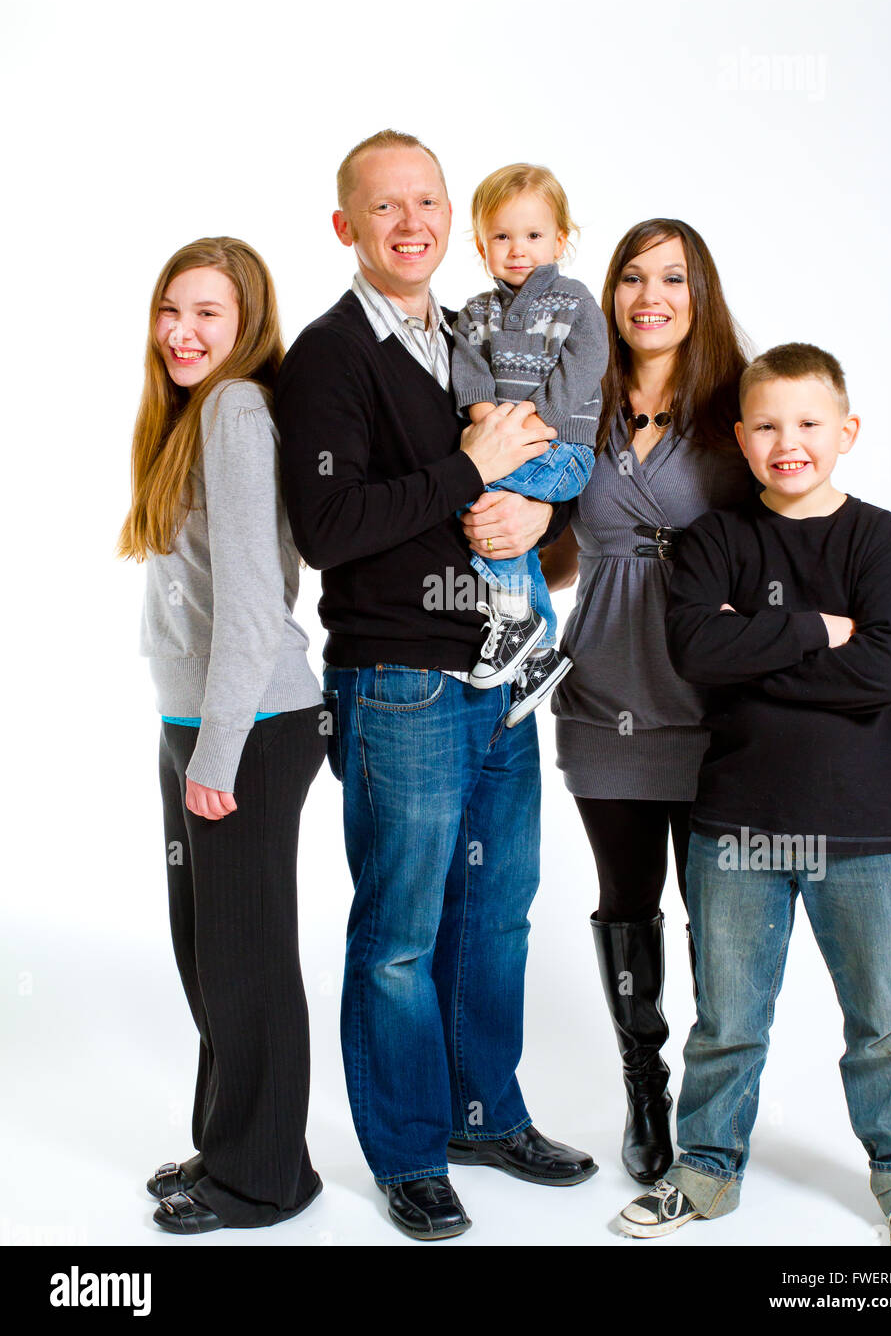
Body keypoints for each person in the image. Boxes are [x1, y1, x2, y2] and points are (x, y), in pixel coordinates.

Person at [275, 130, 597, 1243]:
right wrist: (474, 470)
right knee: (403, 932)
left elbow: (532, 481)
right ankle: (410, 1152)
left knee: (495, 910)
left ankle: (481, 1112)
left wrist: (538, 508)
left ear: (449, 215)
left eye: (427, 203)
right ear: (346, 229)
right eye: (385, 208)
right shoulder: (327, 356)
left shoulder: (472, 335)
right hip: (400, 684)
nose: (411, 224)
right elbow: (329, 527)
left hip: (500, 677)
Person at [619, 343, 891, 1247]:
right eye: (766, 425)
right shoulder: (716, 540)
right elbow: (696, 658)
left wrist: (756, 648)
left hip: (862, 828)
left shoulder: (880, 539)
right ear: (741, 436)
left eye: (808, 424)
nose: (787, 442)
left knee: (884, 1020)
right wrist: (815, 632)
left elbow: (886, 672)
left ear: (847, 432)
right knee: (727, 1020)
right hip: (735, 826)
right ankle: (705, 1171)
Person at [118, 237, 328, 1235]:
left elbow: (254, 606)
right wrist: (189, 734)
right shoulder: (188, 417)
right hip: (197, 720)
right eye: (171, 309)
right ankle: (238, 1144)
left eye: (208, 313)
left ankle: (264, 1181)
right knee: (208, 949)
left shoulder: (239, 411)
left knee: (246, 955)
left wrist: (218, 750)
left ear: (247, 326)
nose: (183, 332)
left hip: (254, 723)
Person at [543, 219, 752, 1183]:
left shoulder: (736, 408)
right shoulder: (579, 400)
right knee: (627, 901)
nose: (649, 296)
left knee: (721, 914)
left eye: (672, 277)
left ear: (698, 293)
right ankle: (645, 1090)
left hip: (715, 705)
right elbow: (552, 544)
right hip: (606, 697)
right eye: (631, 277)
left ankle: (718, 1106)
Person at [451, 163, 608, 725]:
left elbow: (585, 364)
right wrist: (485, 418)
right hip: (509, 446)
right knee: (486, 499)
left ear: (561, 240)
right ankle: (538, 652)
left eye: (534, 235)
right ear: (480, 245)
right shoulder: (475, 312)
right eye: (501, 236)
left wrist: (532, 423)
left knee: (480, 495)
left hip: (560, 450)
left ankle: (523, 626)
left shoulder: (573, 301)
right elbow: (469, 374)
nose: (518, 249)